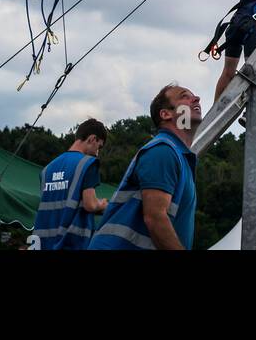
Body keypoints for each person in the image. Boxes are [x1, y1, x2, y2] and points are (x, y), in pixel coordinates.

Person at [87, 85, 202, 251]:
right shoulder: (163, 151)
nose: (196, 98)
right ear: (166, 114)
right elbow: (155, 218)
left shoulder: (177, 155)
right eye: (185, 97)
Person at [32, 119, 108, 251]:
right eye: (99, 147)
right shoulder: (88, 163)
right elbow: (90, 204)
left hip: (43, 243)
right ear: (92, 139)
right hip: (71, 243)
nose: (97, 153)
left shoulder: (47, 170)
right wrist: (102, 205)